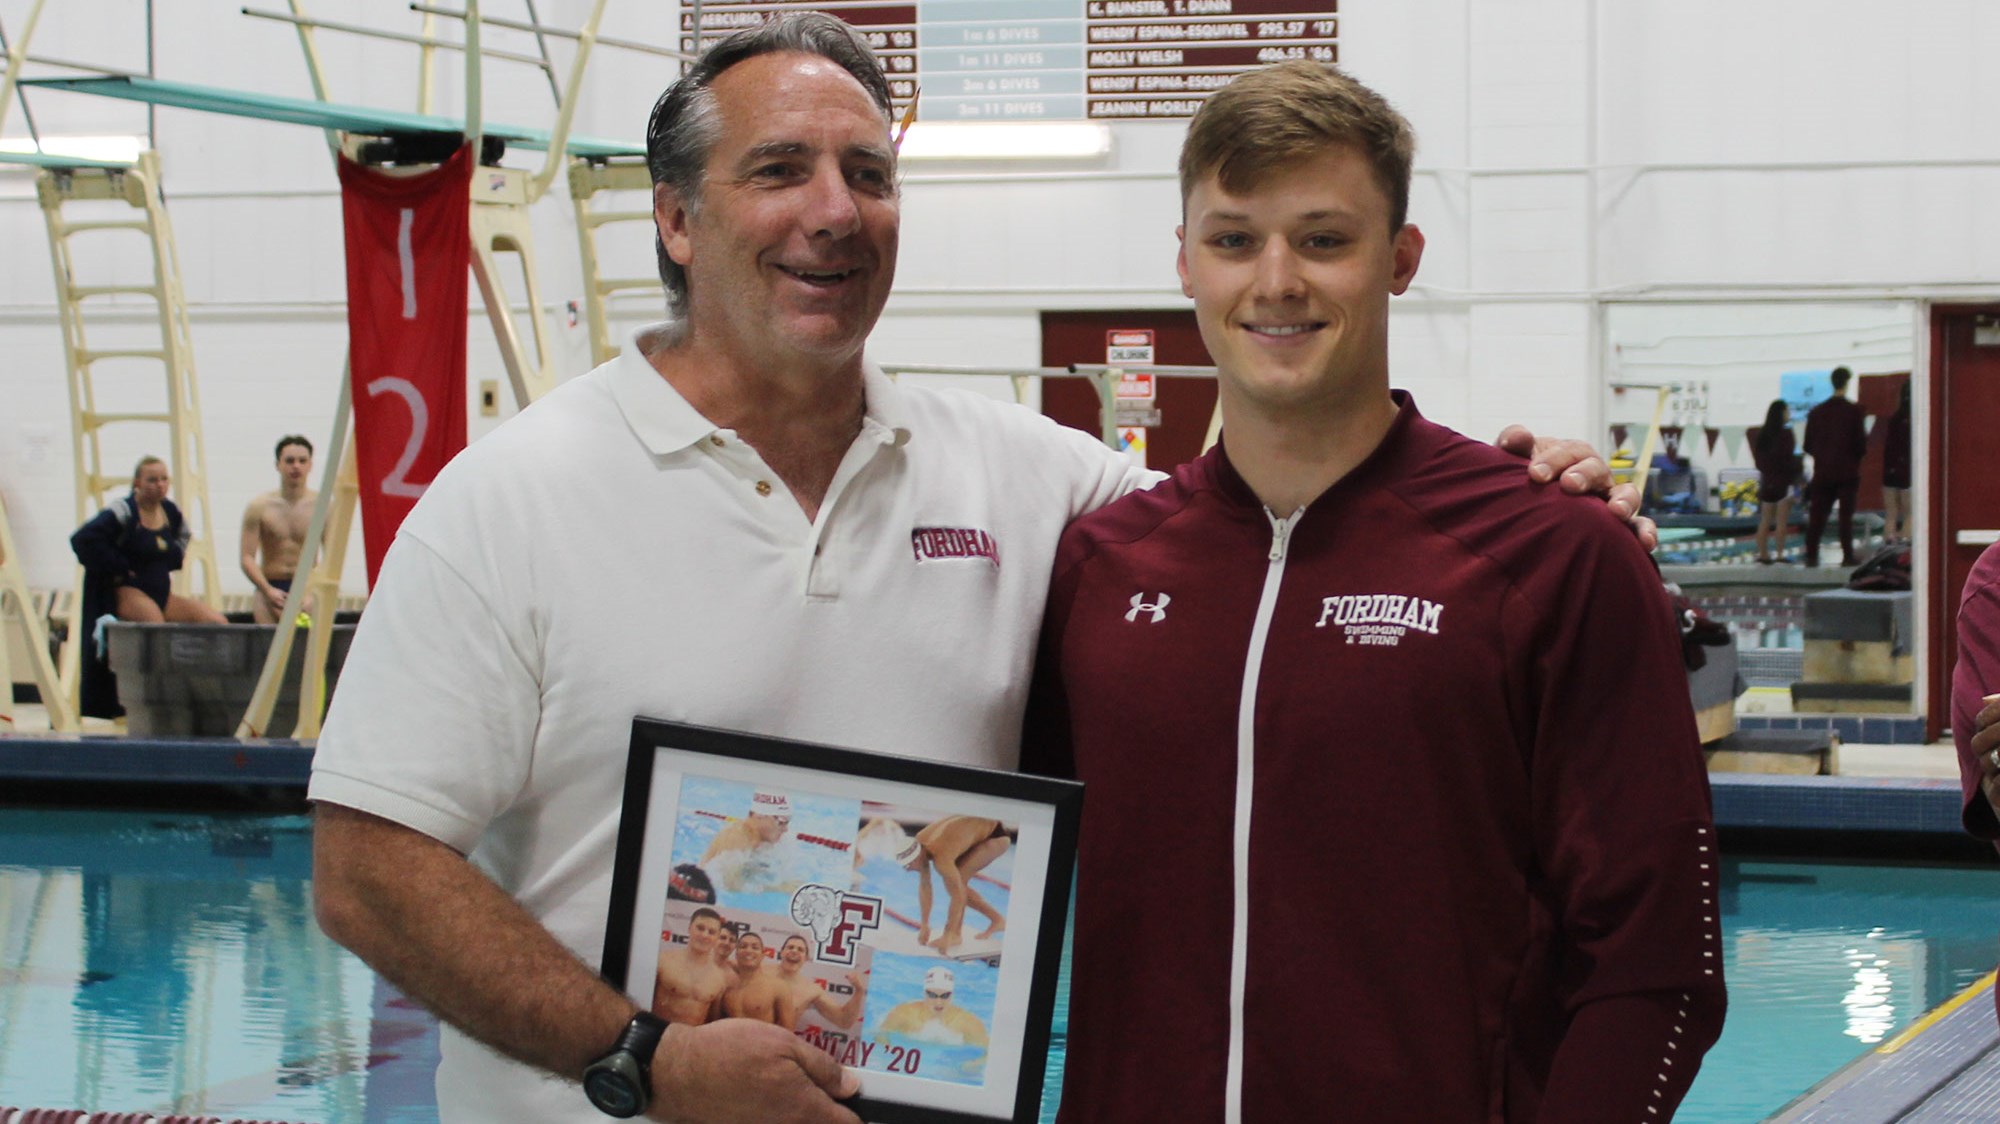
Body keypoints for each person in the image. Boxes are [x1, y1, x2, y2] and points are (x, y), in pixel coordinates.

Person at [306, 15, 1645, 1124]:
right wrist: (640, 1059)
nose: (834, 214)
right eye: (779, 171)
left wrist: (1527, 499)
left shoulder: (1034, 482)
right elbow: (366, 866)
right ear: (674, 220)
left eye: (868, 175)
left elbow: (1275, 530)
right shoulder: (513, 499)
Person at [1023, 62, 1726, 1123]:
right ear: (1184, 261)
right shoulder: (1102, 565)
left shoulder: (1551, 555)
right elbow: (989, 874)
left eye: (1322, 239)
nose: (1275, 281)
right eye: (1233, 240)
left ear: (1400, 258)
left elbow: (1657, 962)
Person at [70, 455, 226, 718]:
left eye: (164, 479)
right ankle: (158, 701)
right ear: (137, 483)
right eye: (152, 480)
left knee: (217, 623)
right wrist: (118, 566)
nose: (159, 485)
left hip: (161, 593)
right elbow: (82, 539)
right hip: (129, 591)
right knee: (157, 632)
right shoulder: (122, 512)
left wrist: (174, 558)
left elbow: (183, 537)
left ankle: (209, 695)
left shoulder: (170, 512)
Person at [895, 815, 1009, 953]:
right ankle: (997, 920)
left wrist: (948, 933)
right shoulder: (920, 844)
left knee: (958, 882)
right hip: (978, 828)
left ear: (916, 858)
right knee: (956, 882)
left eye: (908, 865)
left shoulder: (941, 857)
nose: (908, 870)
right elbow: (925, 886)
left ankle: (955, 934)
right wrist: (924, 924)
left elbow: (958, 895)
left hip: (995, 837)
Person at [239, 434, 317, 624]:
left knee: (310, 640)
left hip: (307, 587)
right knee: (269, 639)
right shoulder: (259, 507)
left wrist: (311, 591)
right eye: (289, 461)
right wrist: (267, 590)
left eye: (302, 461)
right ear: (278, 465)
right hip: (271, 585)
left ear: (310, 465)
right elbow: (247, 557)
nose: (296, 466)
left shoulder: (322, 507)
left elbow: (332, 556)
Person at [1803, 366, 1868, 567]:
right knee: (1845, 518)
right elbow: (1861, 445)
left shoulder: (1816, 413)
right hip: (1847, 473)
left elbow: (1807, 445)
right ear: (1846, 384)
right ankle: (1847, 556)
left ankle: (1811, 556)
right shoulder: (1854, 412)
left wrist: (1823, 456)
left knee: (1817, 516)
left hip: (1823, 472)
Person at [872, 966, 987, 1049]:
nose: (938, 1002)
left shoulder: (969, 1023)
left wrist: (973, 1064)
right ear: (924, 994)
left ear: (952, 995)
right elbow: (880, 1035)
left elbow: (988, 1053)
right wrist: (889, 1052)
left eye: (945, 996)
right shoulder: (903, 1013)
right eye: (932, 995)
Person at [769, 934, 867, 1032]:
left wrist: (858, 991)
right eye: (790, 947)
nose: (794, 951)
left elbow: (843, 1021)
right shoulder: (762, 972)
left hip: (779, 1040)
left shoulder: (811, 990)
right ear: (781, 952)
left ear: (806, 958)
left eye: (800, 950)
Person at [652, 907, 731, 1026]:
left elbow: (712, 1021)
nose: (705, 935)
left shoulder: (720, 978)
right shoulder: (663, 960)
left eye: (711, 932)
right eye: (700, 928)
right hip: (658, 1033)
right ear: (689, 928)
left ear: (717, 937)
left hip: (692, 1036)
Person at [1752, 398, 1800, 564]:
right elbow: (1789, 459)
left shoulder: (1762, 434)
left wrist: (1769, 473)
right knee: (1781, 522)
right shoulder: (1787, 434)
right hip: (1783, 483)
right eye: (1787, 411)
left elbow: (1759, 461)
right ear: (1781, 413)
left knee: (1765, 521)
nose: (1789, 414)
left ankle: (1763, 554)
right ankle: (1779, 554)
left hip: (1767, 483)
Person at [720, 931, 785, 1022]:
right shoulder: (727, 989)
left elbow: (787, 1029)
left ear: (762, 955)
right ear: (736, 954)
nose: (748, 951)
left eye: (755, 948)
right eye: (743, 946)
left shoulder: (778, 987)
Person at [1880, 380, 1912, 542]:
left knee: (1891, 513)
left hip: (1890, 472)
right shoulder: (1916, 420)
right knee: (1910, 514)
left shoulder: (1894, 419)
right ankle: (1904, 547)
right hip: (1907, 473)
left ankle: (1888, 545)